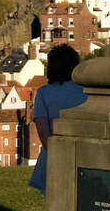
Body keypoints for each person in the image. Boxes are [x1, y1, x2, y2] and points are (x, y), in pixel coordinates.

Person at [27, 43, 87, 197]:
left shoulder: (43, 93)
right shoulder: (86, 90)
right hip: (83, 154)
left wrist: (57, 155)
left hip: (54, 156)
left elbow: (43, 131)